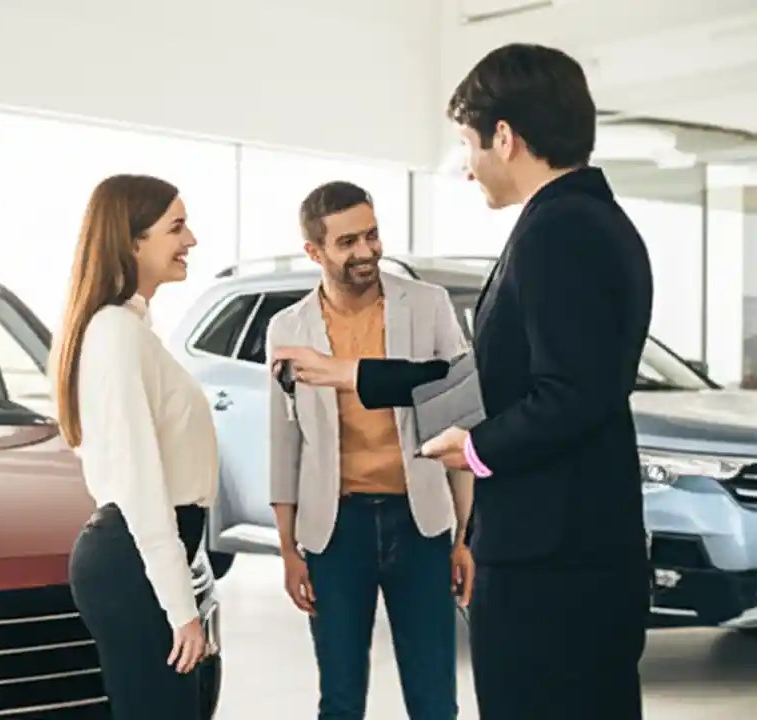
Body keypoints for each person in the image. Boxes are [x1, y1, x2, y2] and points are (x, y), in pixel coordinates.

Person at [273, 43, 653, 720]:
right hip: (573, 550)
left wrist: (474, 451)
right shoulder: (581, 218)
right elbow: (488, 376)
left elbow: (570, 394)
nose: (467, 165)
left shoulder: (558, 231)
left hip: (552, 561)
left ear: (504, 137)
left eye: (467, 143)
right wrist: (354, 373)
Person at [268, 181, 474, 720]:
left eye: (372, 235)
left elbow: (462, 416)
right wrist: (289, 550)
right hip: (335, 532)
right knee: (339, 697)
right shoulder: (287, 329)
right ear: (315, 252)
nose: (366, 252)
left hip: (421, 522)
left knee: (434, 698)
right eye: (347, 242)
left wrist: (464, 538)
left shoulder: (428, 307)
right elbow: (284, 443)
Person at [52, 173, 218, 719]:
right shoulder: (115, 334)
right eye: (176, 227)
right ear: (131, 241)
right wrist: (181, 611)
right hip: (136, 563)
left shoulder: (129, 328)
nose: (190, 239)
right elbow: (141, 488)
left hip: (147, 557)